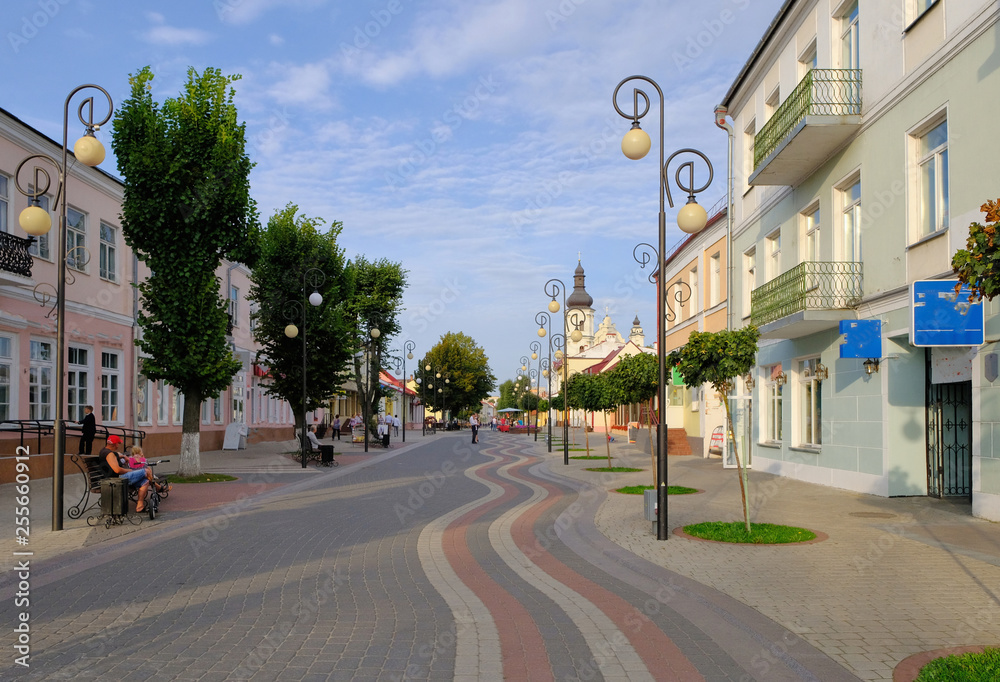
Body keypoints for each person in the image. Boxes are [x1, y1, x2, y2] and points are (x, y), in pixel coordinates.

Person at [99, 435, 156, 513]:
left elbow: (116, 455)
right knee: (146, 471)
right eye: (118, 443)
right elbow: (117, 470)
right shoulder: (110, 454)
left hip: (115, 479)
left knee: (145, 481)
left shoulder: (105, 451)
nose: (118, 446)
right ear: (115, 444)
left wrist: (123, 456)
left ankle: (139, 506)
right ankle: (157, 487)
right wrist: (130, 470)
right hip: (116, 480)